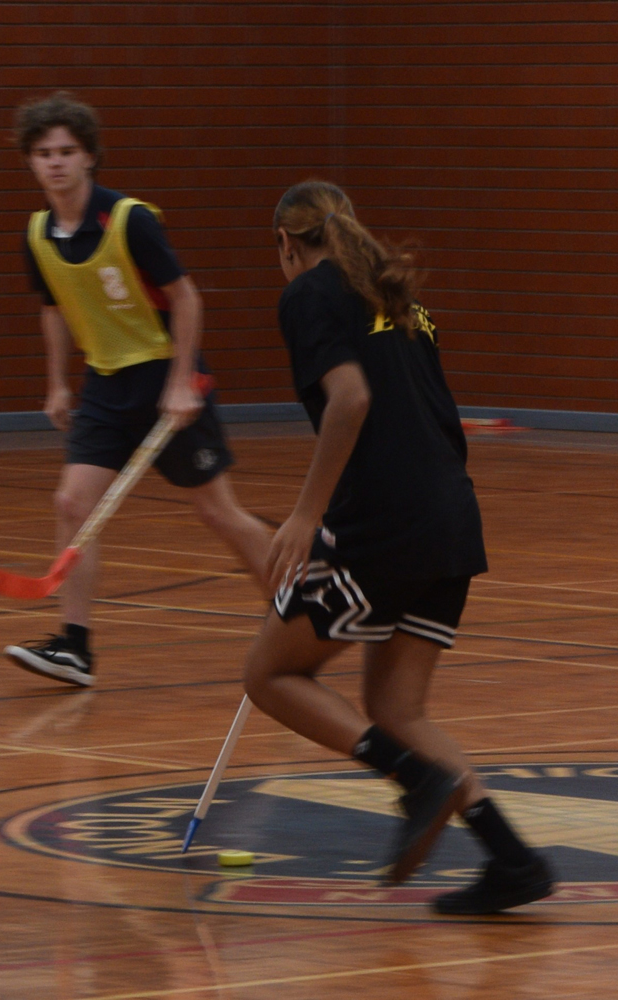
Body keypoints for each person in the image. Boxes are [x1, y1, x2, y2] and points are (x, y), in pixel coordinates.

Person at [242, 180, 553, 913]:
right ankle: (513, 861)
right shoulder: (399, 300)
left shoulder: (309, 293)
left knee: (268, 675)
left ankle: (414, 780)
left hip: (384, 523)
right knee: (396, 707)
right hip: (450, 519)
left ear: (287, 244)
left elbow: (350, 400)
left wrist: (306, 514)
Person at [3, 92, 272, 688]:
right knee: (72, 503)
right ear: (29, 161)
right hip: (105, 383)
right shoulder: (37, 234)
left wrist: (180, 383)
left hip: (164, 374)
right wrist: (56, 383)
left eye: (67, 151)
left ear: (90, 156)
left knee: (217, 512)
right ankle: (75, 648)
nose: (55, 163)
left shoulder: (128, 220)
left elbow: (187, 298)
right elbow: (52, 307)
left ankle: (298, 613)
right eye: (43, 153)